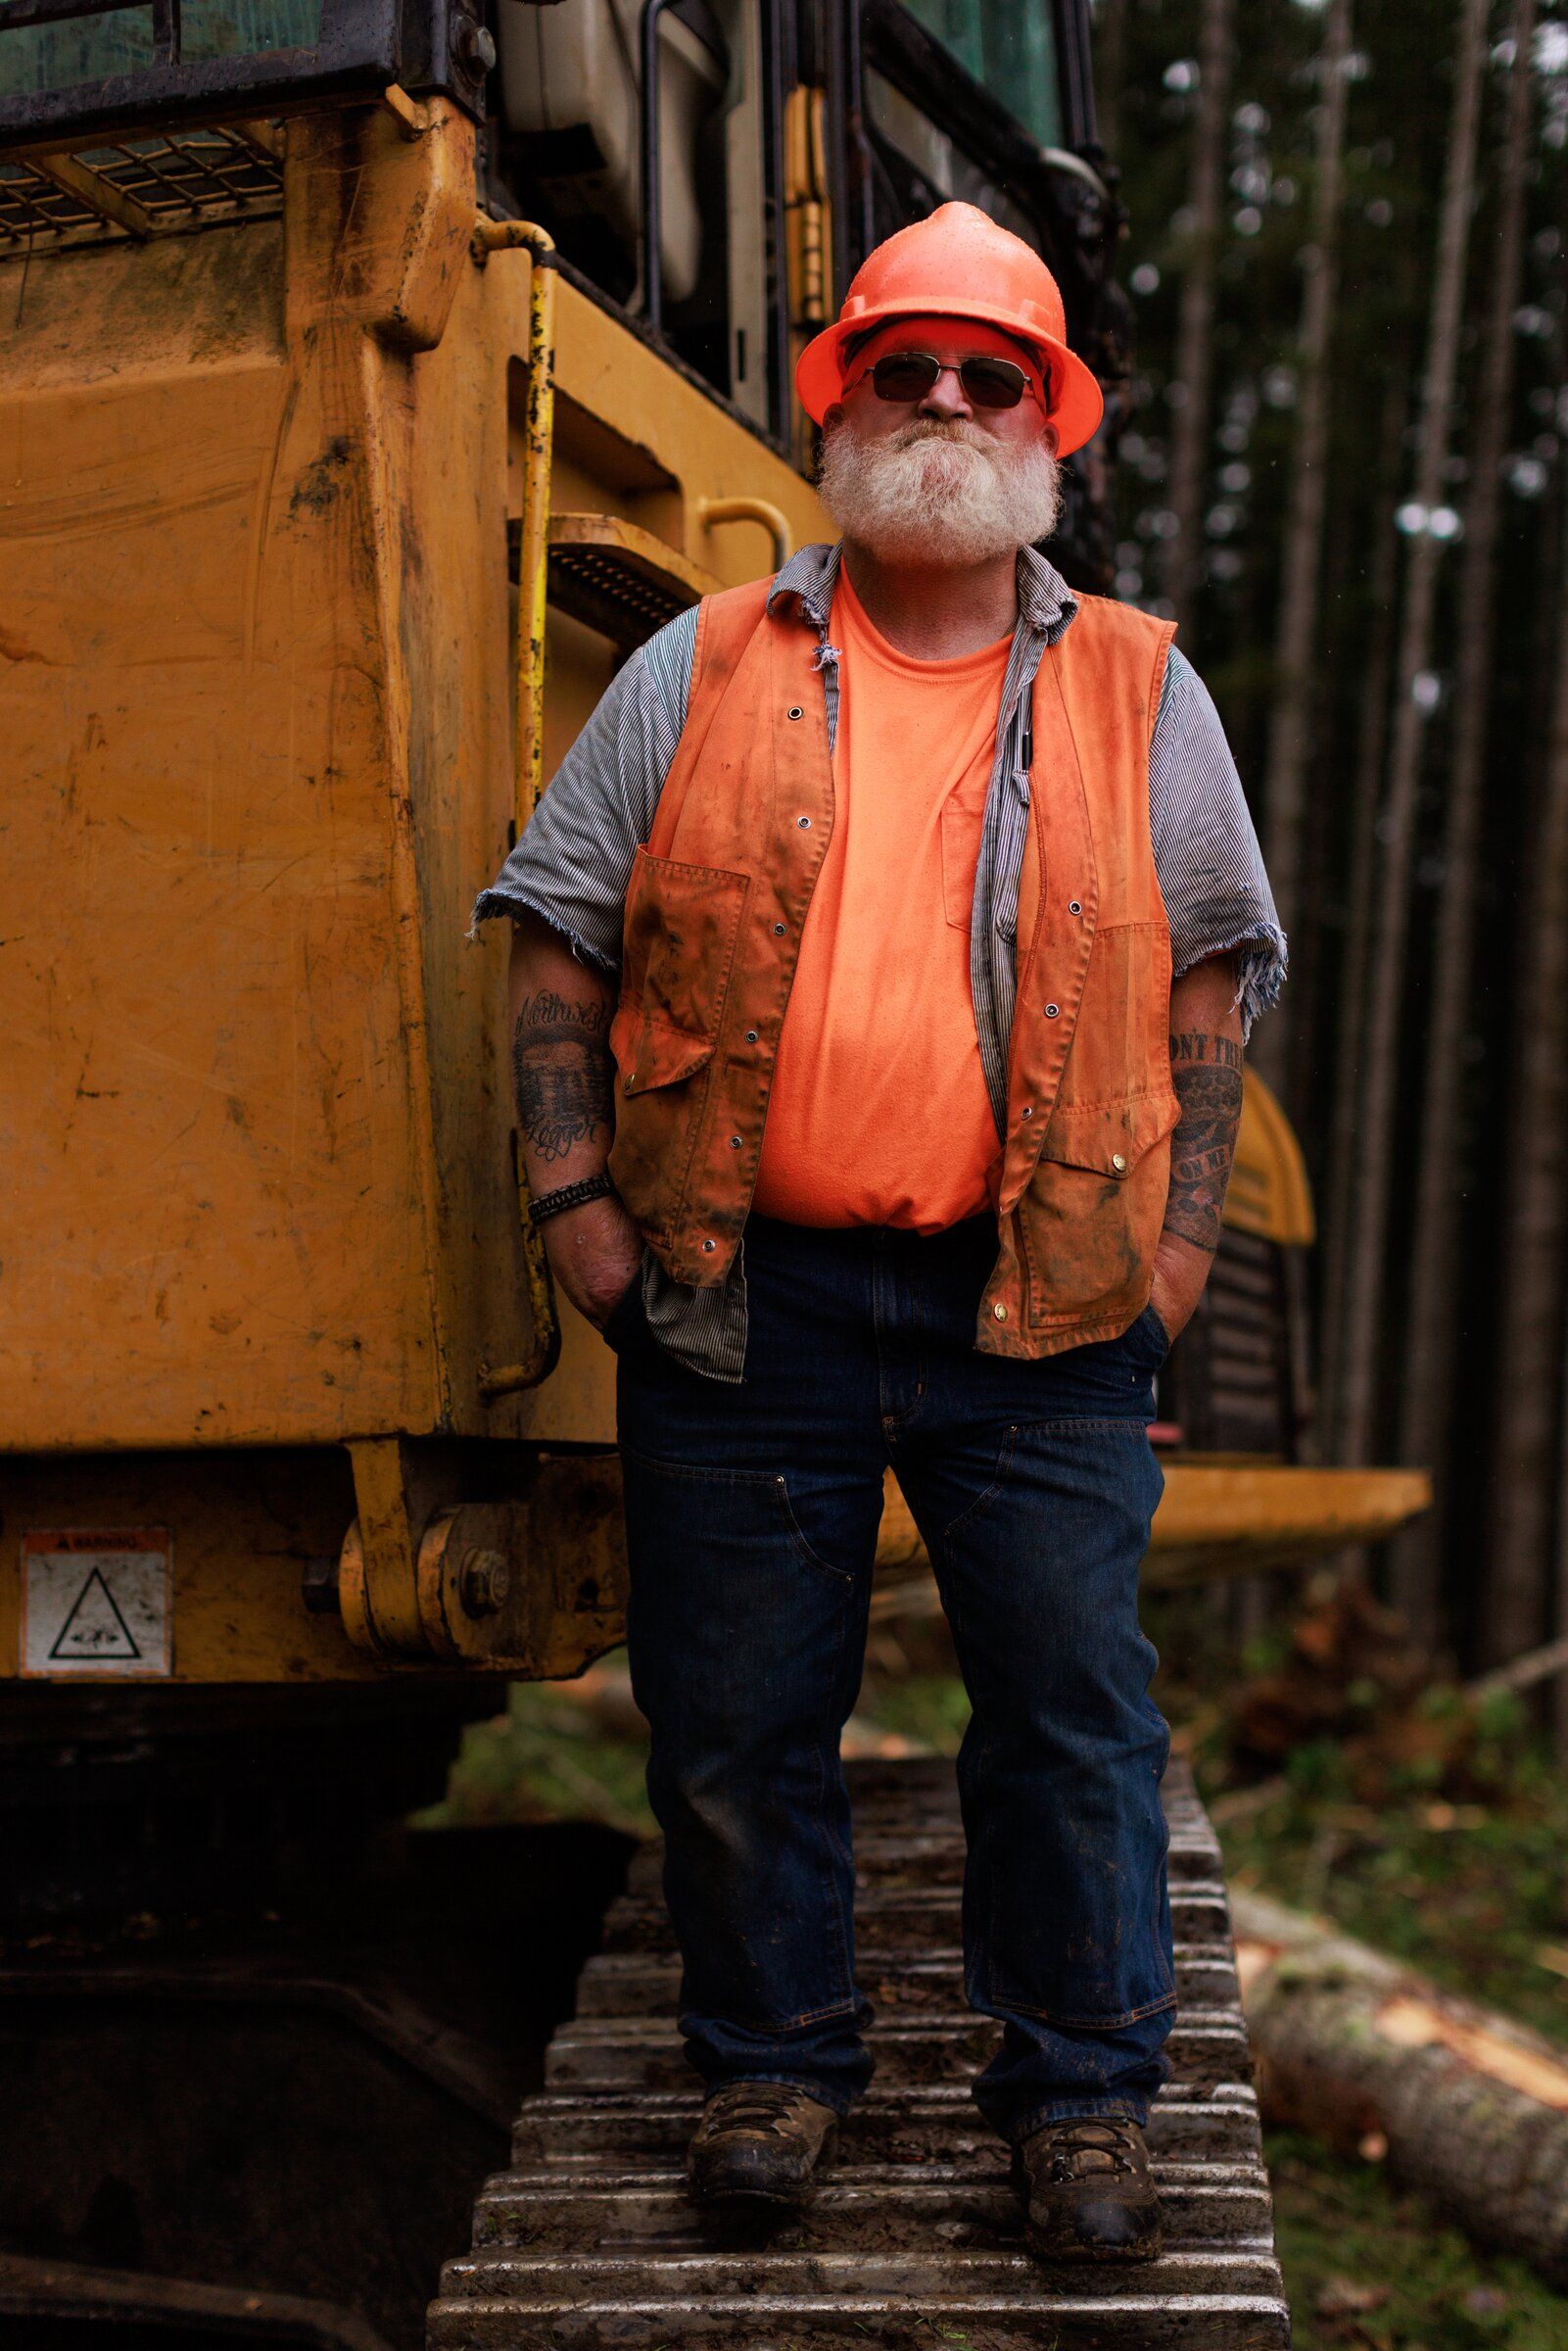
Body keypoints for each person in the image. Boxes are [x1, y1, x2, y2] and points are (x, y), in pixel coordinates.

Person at [472, 202, 1284, 2263]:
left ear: (1049, 423)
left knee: (1073, 1713)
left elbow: (1213, 979)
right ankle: (772, 2061)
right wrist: (577, 1203)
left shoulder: (1135, 688)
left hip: (1049, 1311)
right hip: (751, 1298)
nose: (941, 399)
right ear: (837, 401)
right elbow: (554, 925)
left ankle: (1089, 2103)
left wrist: (1169, 1266)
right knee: (738, 1715)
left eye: (985, 373)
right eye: (901, 365)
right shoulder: (703, 661)